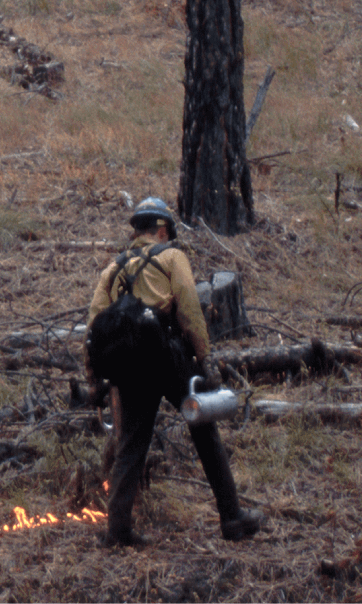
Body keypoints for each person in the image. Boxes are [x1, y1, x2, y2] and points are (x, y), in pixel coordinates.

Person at [86, 197, 265, 547]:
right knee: (204, 432)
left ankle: (118, 530)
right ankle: (232, 518)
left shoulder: (113, 269)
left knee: (131, 446)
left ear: (138, 230)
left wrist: (94, 380)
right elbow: (189, 308)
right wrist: (205, 360)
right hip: (168, 356)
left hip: (129, 367)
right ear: (163, 229)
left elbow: (94, 328)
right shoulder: (171, 257)